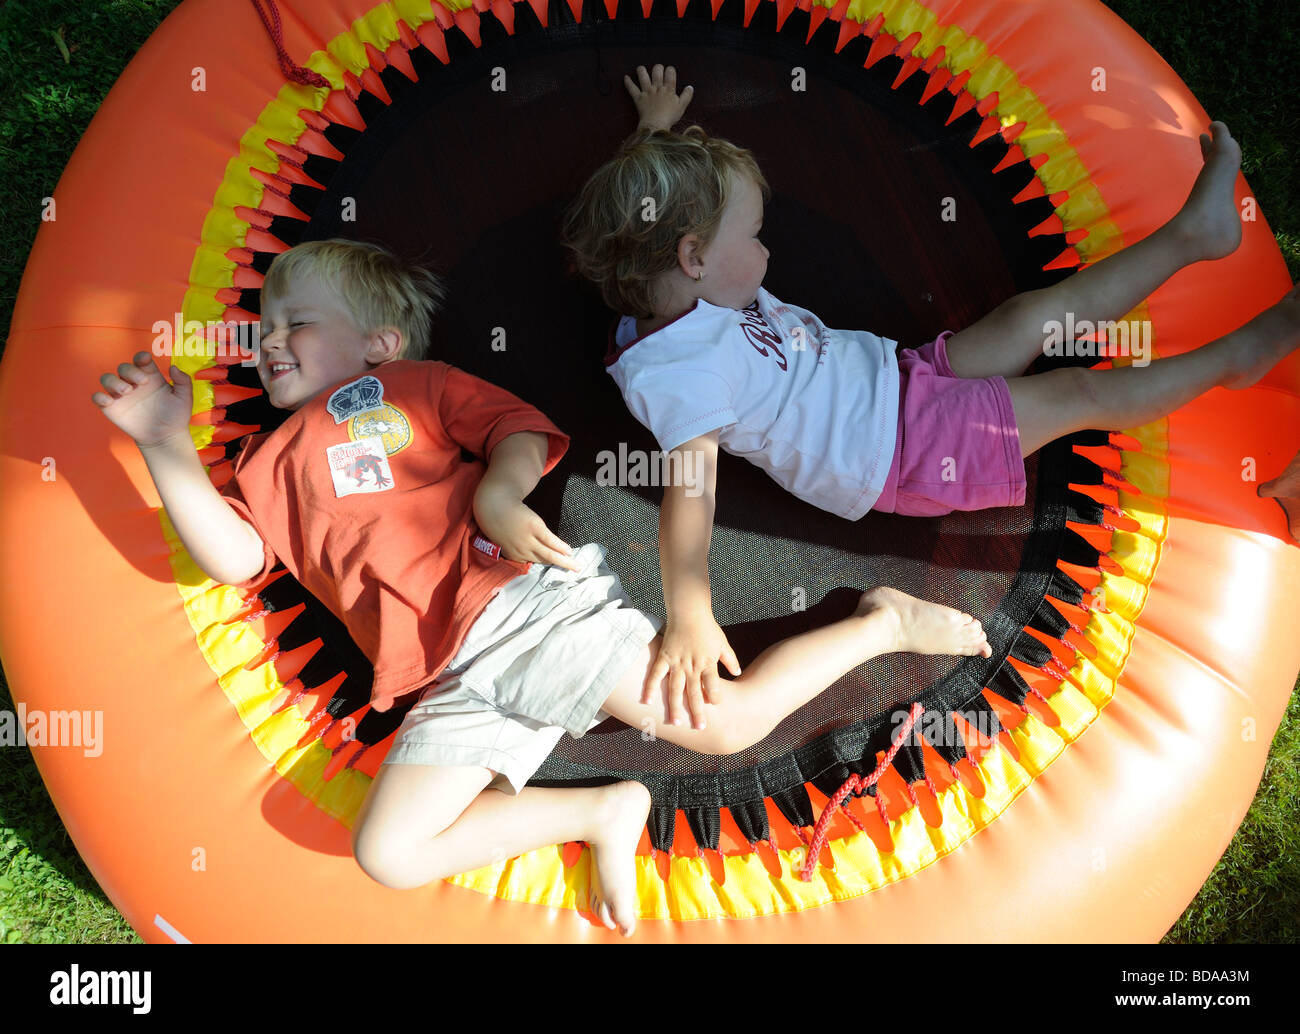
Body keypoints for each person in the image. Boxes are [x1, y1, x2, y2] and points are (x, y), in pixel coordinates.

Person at [90, 237, 992, 937]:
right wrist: (166, 445)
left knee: (726, 725)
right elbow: (236, 557)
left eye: (296, 320)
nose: (269, 338)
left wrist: (496, 487)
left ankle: (878, 622)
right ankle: (603, 807)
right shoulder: (259, 465)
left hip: (522, 615)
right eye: (262, 327)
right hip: (444, 678)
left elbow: (520, 428)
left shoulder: (405, 387)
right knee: (391, 852)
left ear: (378, 342)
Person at [560, 62, 1300, 712]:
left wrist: (655, 134)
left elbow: (644, 216)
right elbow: (693, 491)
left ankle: (1192, 237)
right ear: (693, 256)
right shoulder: (681, 374)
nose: (766, 247)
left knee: (1032, 316)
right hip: (904, 452)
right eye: (753, 236)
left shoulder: (669, 278)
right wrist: (689, 610)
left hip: (894, 380)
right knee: (1079, 393)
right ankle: (1239, 357)